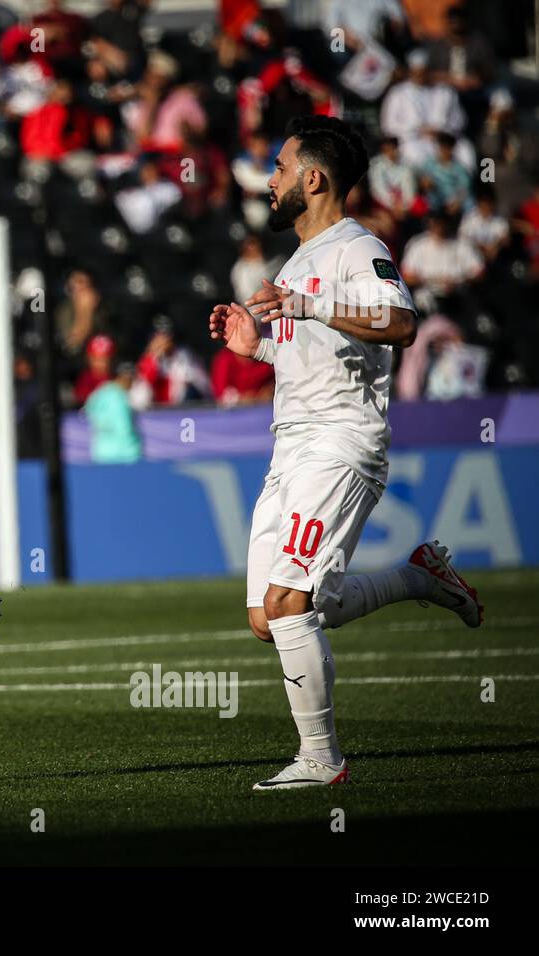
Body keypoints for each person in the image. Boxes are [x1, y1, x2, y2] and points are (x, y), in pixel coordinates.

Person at [208, 116, 483, 791]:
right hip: (290, 443)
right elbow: (316, 352)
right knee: (268, 619)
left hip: (340, 443)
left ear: (313, 178)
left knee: (289, 600)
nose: (269, 181)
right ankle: (418, 577)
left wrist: (309, 303)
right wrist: (259, 348)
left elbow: (401, 323)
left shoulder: (357, 249)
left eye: (278, 167)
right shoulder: (297, 261)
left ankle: (321, 759)